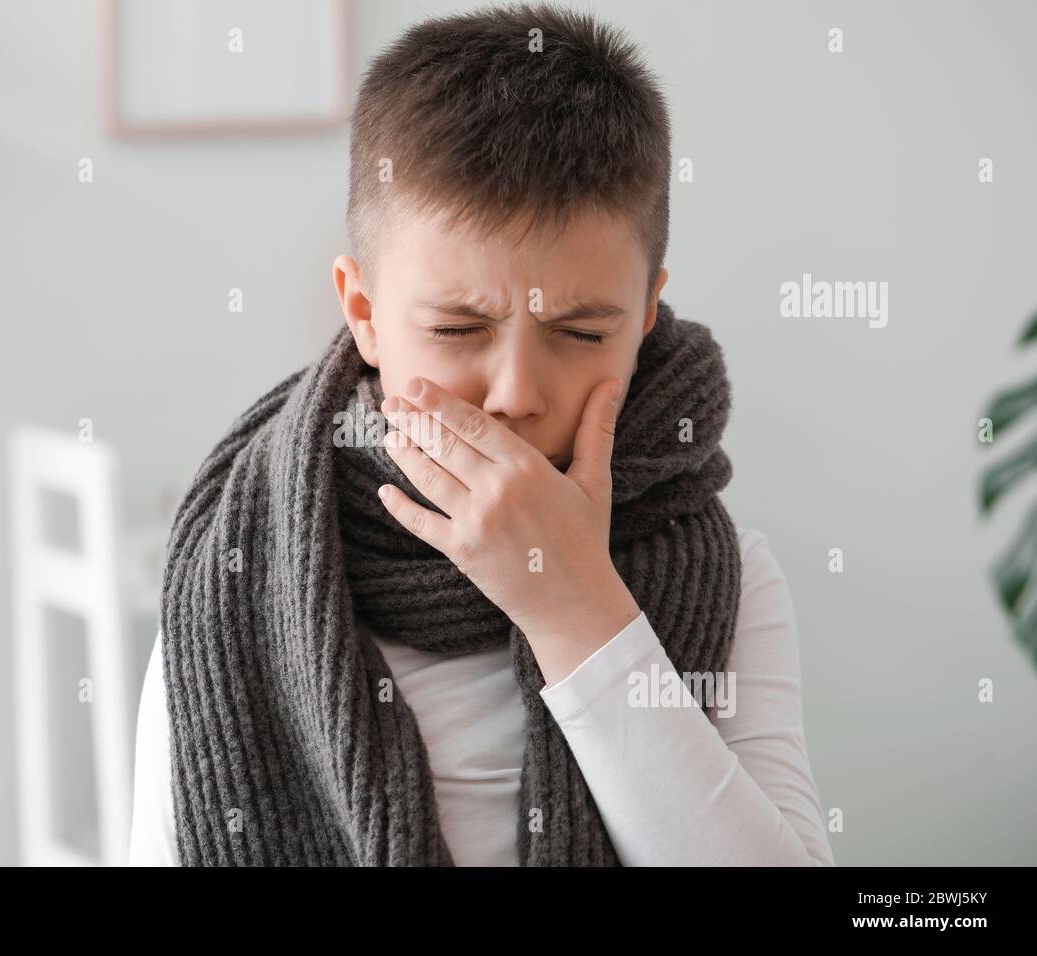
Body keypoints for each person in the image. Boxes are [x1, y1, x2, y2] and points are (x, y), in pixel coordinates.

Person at [130, 2, 834, 866]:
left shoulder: (730, 574)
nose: (514, 395)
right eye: (459, 331)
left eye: (581, 334)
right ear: (366, 314)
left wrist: (574, 605)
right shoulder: (234, 577)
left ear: (645, 314)